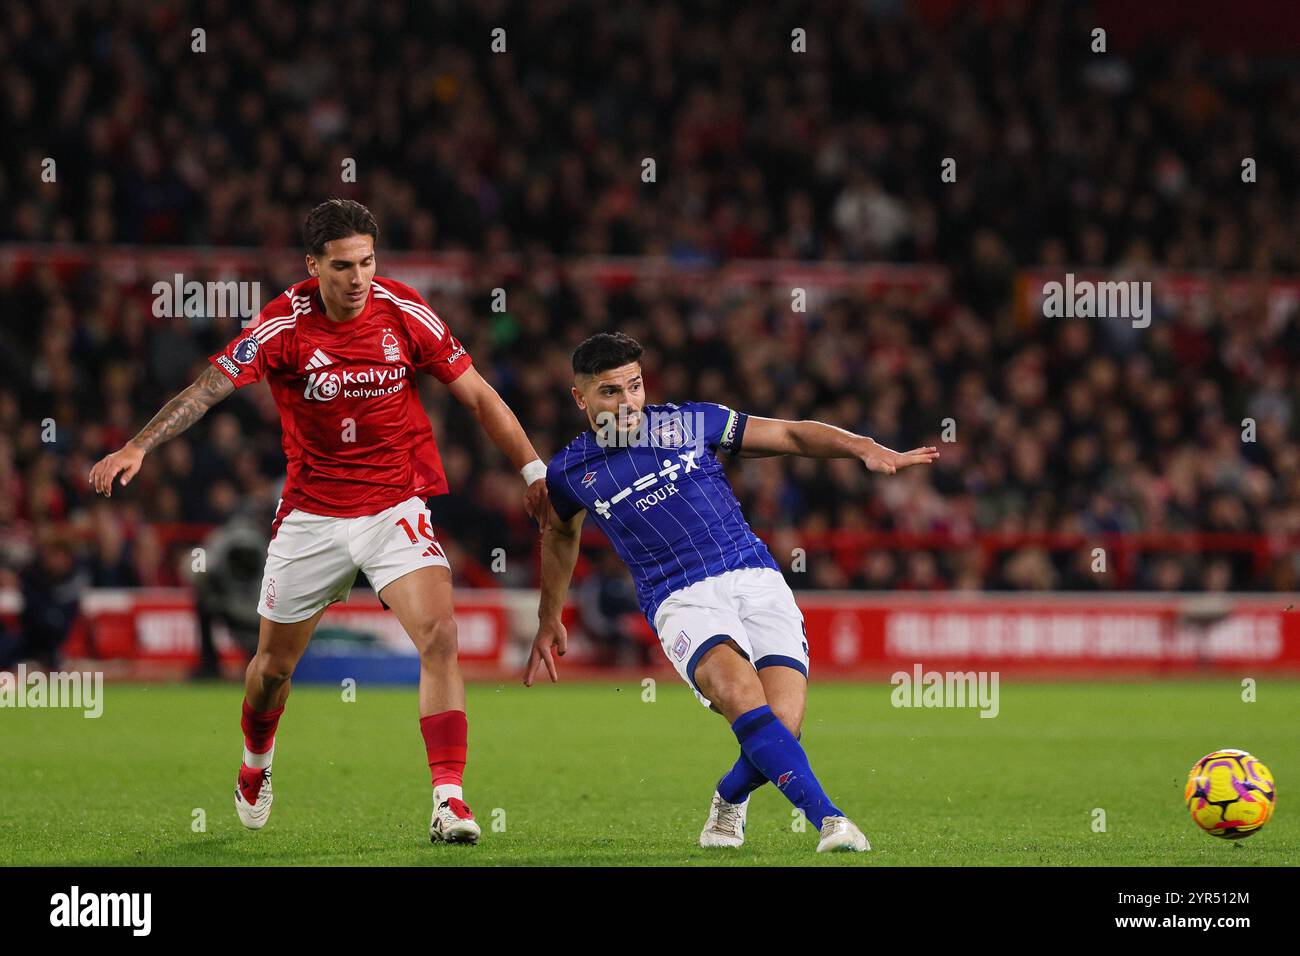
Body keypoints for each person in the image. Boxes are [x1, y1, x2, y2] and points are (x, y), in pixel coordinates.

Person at [90, 199, 550, 845]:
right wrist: (139, 444)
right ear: (313, 266)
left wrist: (532, 470)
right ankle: (255, 764)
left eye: (366, 262)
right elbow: (207, 388)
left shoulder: (404, 310)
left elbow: (477, 394)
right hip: (312, 516)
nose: (358, 278)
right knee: (273, 670)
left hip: (394, 507)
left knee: (439, 635)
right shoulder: (283, 324)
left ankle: (450, 800)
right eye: (341, 266)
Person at [526, 331, 937, 853]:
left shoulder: (691, 421)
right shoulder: (569, 471)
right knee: (740, 695)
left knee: (783, 724)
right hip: (678, 597)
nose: (627, 402)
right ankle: (832, 821)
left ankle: (729, 796)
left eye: (634, 386)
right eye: (610, 392)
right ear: (580, 398)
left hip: (752, 574)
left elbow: (789, 436)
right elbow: (561, 534)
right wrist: (548, 616)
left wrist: (862, 447)